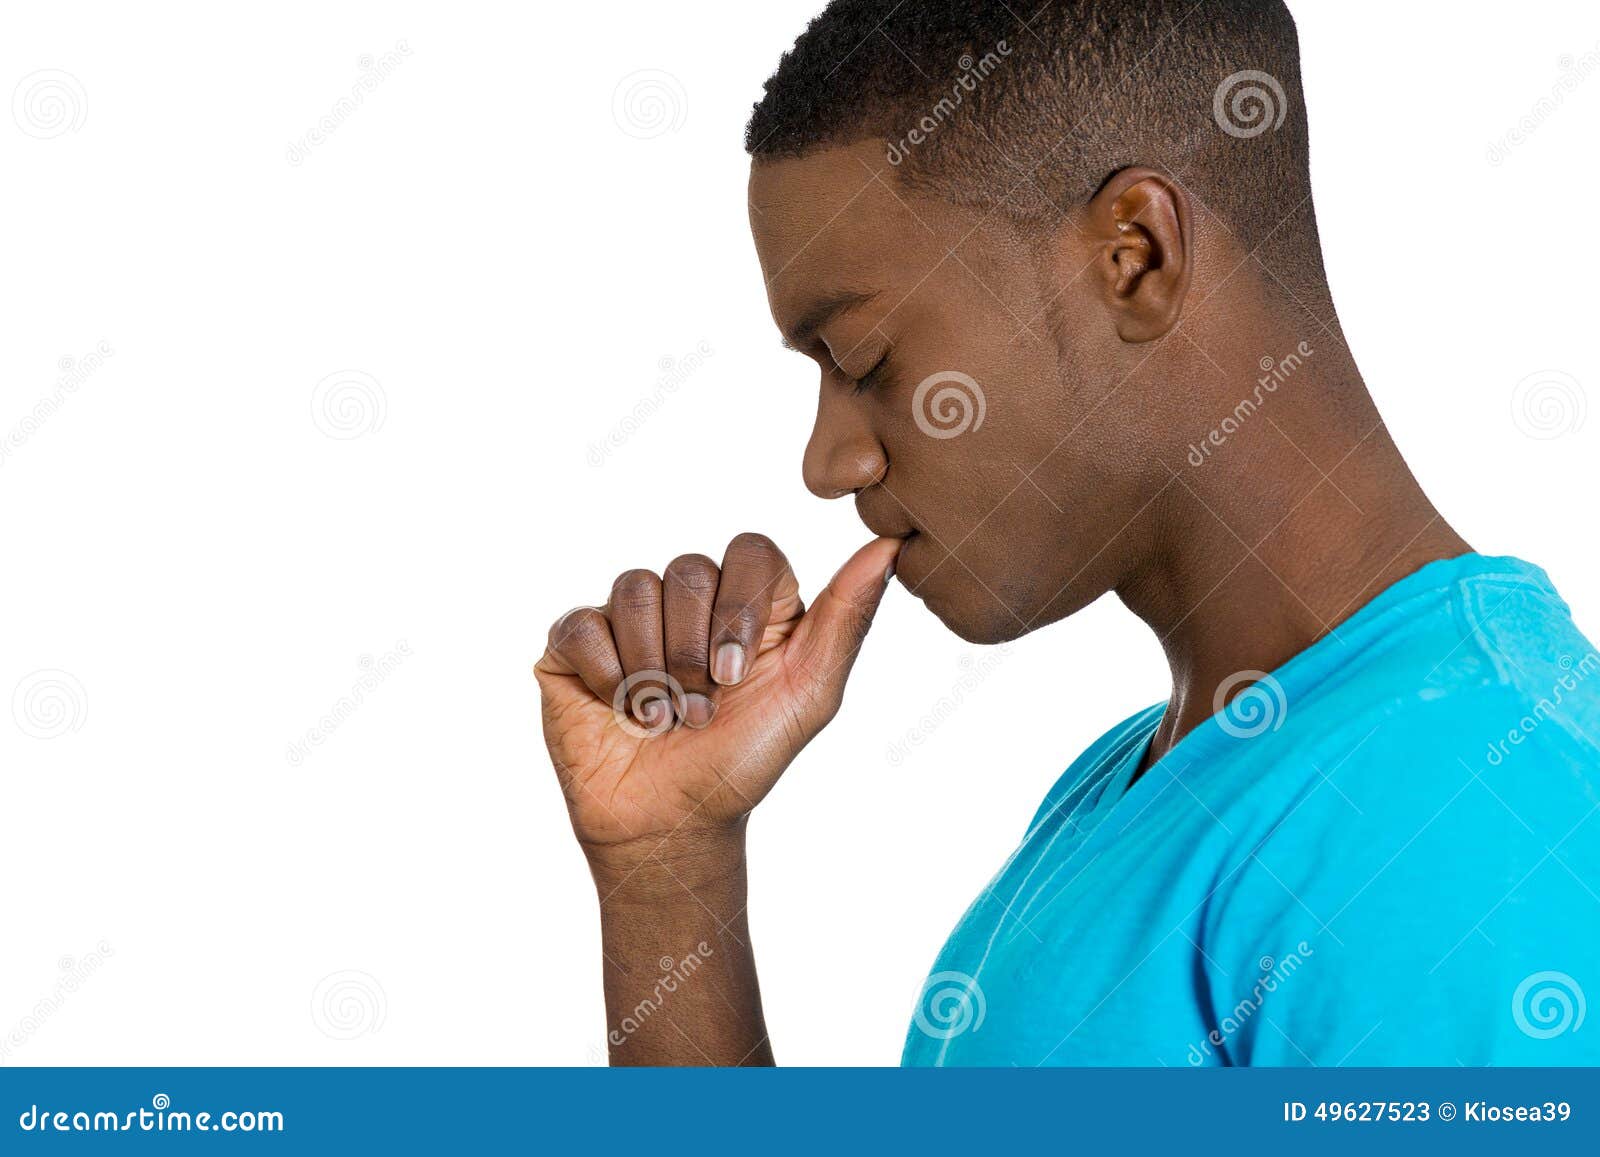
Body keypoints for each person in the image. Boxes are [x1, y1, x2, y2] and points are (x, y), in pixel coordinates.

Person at [535, 0, 1600, 1065]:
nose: (828, 462)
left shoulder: (1459, 817)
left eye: (862, 359)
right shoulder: (1145, 789)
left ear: (1134, 255)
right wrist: (669, 868)